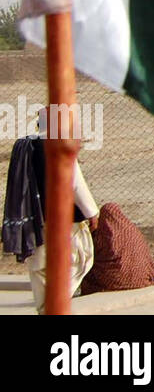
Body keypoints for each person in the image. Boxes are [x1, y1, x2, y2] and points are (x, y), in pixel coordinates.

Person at [2, 109, 99, 314]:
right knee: (81, 257)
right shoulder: (61, 146)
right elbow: (75, 184)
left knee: (39, 266)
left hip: (33, 218)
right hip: (64, 219)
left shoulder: (25, 146)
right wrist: (91, 212)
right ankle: (57, 300)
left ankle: (44, 307)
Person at [79, 203, 154, 295]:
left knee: (87, 269)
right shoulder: (132, 231)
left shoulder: (103, 235)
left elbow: (91, 255)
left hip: (115, 280)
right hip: (141, 279)